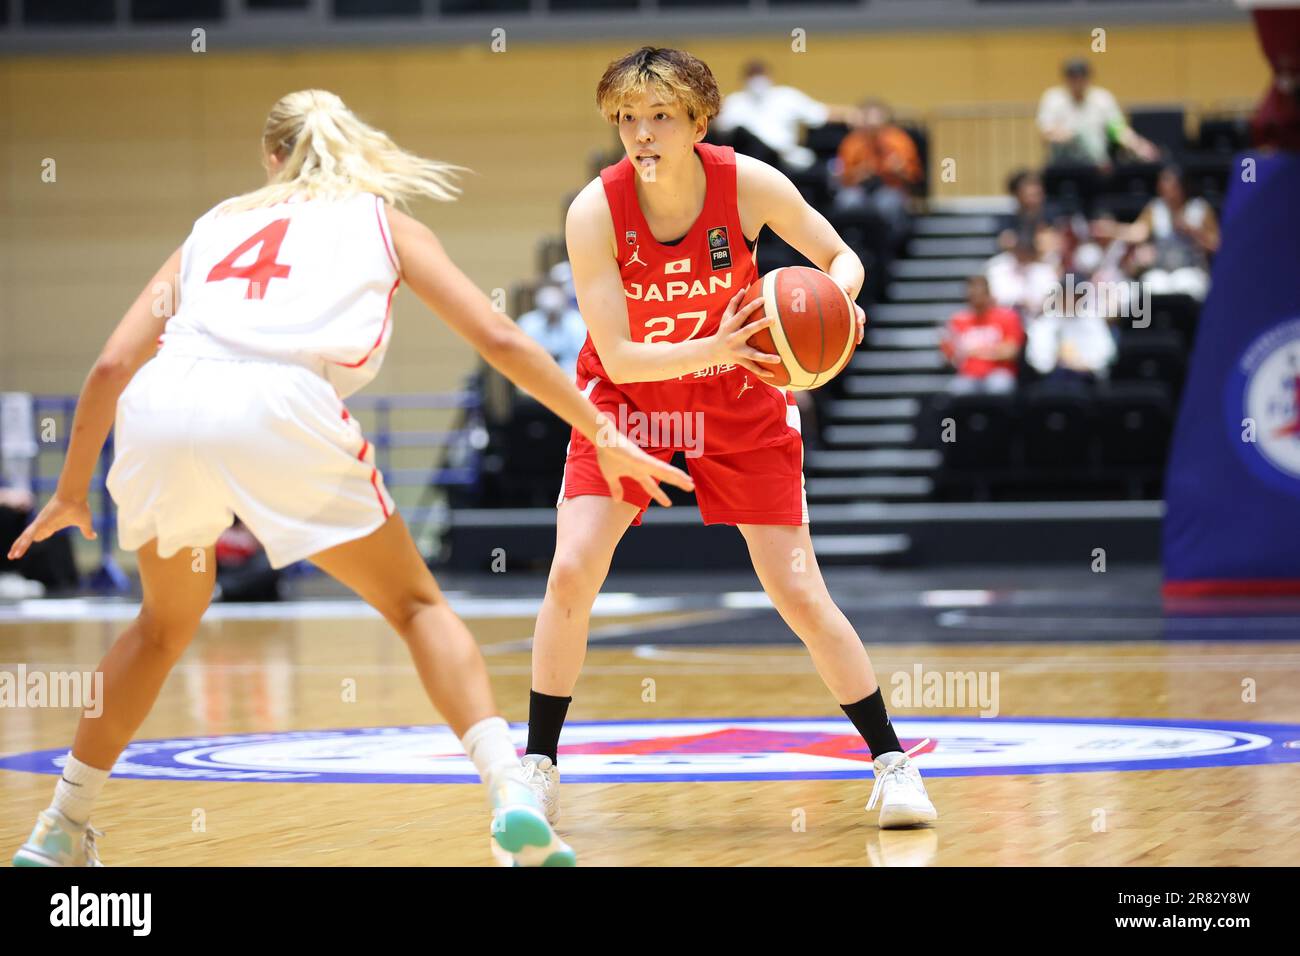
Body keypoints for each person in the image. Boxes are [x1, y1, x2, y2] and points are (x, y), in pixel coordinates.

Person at [8, 89, 692, 868]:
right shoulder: (383, 221)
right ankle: (509, 790)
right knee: (413, 603)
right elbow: (499, 335)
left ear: (272, 157)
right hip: (277, 399)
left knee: (160, 628)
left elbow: (109, 364)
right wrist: (599, 428)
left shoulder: (213, 225)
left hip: (164, 401)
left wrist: (69, 490)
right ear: (354, 147)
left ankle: (60, 826)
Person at [517, 47, 937, 832]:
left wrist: (834, 304)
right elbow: (619, 356)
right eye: (626, 120)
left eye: (659, 117)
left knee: (797, 590)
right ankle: (536, 767)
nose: (640, 135)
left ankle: (894, 764)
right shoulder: (594, 211)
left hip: (738, 397)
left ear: (699, 121)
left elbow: (842, 259)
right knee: (572, 568)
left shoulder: (749, 183)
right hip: (631, 398)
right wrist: (722, 343)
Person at [1098, 165, 1220, 301]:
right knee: (1152, 285)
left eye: (1169, 183)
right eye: (1162, 183)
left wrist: (1193, 232)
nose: (1163, 187)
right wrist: (1111, 229)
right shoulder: (1156, 208)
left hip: (1191, 269)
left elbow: (1216, 245)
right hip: (1161, 271)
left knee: (1185, 284)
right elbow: (1138, 232)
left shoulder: (1200, 209)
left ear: (1182, 186)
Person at [714, 60, 860, 171]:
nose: (757, 81)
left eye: (760, 74)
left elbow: (819, 112)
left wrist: (851, 114)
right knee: (744, 134)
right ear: (744, 79)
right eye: (753, 75)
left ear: (769, 76)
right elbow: (719, 128)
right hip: (748, 161)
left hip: (785, 157)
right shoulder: (735, 102)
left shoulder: (786, 96)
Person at [1037, 58, 1159, 169]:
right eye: (1073, 77)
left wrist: (1139, 145)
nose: (1078, 82)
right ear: (1066, 79)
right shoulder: (1053, 98)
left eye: (1081, 77)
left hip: (1098, 164)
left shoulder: (1102, 98)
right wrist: (1072, 136)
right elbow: (1045, 131)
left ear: (1088, 78)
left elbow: (1117, 129)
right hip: (1063, 164)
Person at [831, 98, 921, 248]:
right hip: (860, 190)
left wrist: (898, 170)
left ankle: (889, 247)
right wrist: (860, 174)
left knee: (887, 204)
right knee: (847, 201)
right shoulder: (852, 142)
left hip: (889, 187)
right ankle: (850, 246)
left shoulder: (899, 140)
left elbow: (913, 176)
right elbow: (842, 178)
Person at [941, 276, 1024, 395]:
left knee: (999, 386)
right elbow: (951, 356)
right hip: (968, 375)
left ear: (988, 294)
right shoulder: (957, 320)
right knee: (957, 390)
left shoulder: (1007, 317)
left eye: (979, 294)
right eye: (972, 295)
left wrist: (973, 351)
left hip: (998, 373)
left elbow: (1011, 352)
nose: (975, 299)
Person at [516, 282, 588, 382]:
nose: (551, 313)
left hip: (570, 377)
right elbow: (521, 357)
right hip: (536, 376)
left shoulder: (577, 322)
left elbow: (583, 357)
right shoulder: (528, 323)